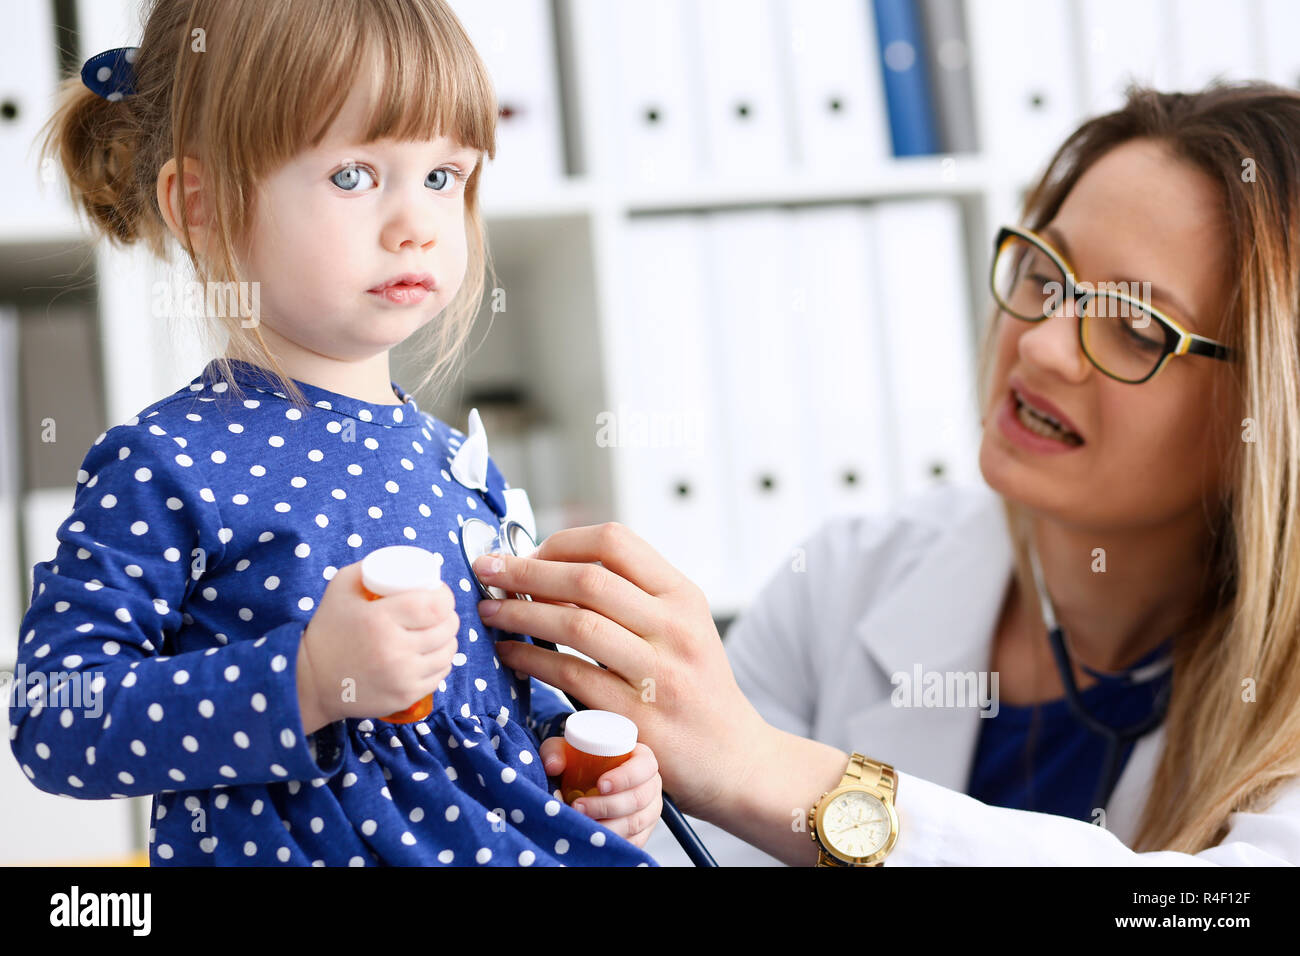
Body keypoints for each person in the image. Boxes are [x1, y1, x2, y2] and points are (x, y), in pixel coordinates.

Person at [475, 82, 1300, 865]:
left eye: (1134, 326)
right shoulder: (844, 582)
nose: (1043, 344)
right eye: (1048, 277)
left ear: (1268, 407)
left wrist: (768, 772)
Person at [9, 0, 661, 866]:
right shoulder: (169, 463)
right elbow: (58, 718)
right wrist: (306, 679)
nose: (417, 223)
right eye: (354, 176)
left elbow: (504, 700)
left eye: (444, 176)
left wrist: (588, 768)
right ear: (200, 204)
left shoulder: (456, 464)